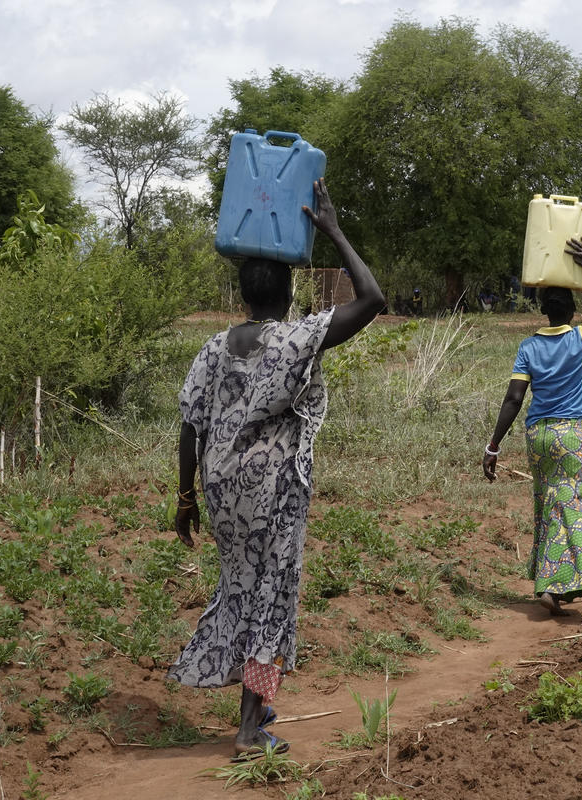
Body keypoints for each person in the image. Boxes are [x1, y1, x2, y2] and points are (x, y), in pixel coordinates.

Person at [169, 178, 384, 760]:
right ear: (289, 293)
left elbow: (190, 425)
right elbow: (372, 299)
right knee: (272, 598)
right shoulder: (296, 339)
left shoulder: (214, 347)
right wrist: (333, 231)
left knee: (239, 585)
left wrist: (185, 498)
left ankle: (256, 707)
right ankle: (248, 730)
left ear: (242, 294)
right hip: (274, 494)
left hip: (221, 492)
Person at [482, 237, 582, 617]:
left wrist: (493, 445)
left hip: (538, 437)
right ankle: (556, 585)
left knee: (548, 503)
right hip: (571, 436)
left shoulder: (528, 348)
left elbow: (514, 399)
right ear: (573, 311)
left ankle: (551, 583)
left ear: (543, 311)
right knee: (572, 504)